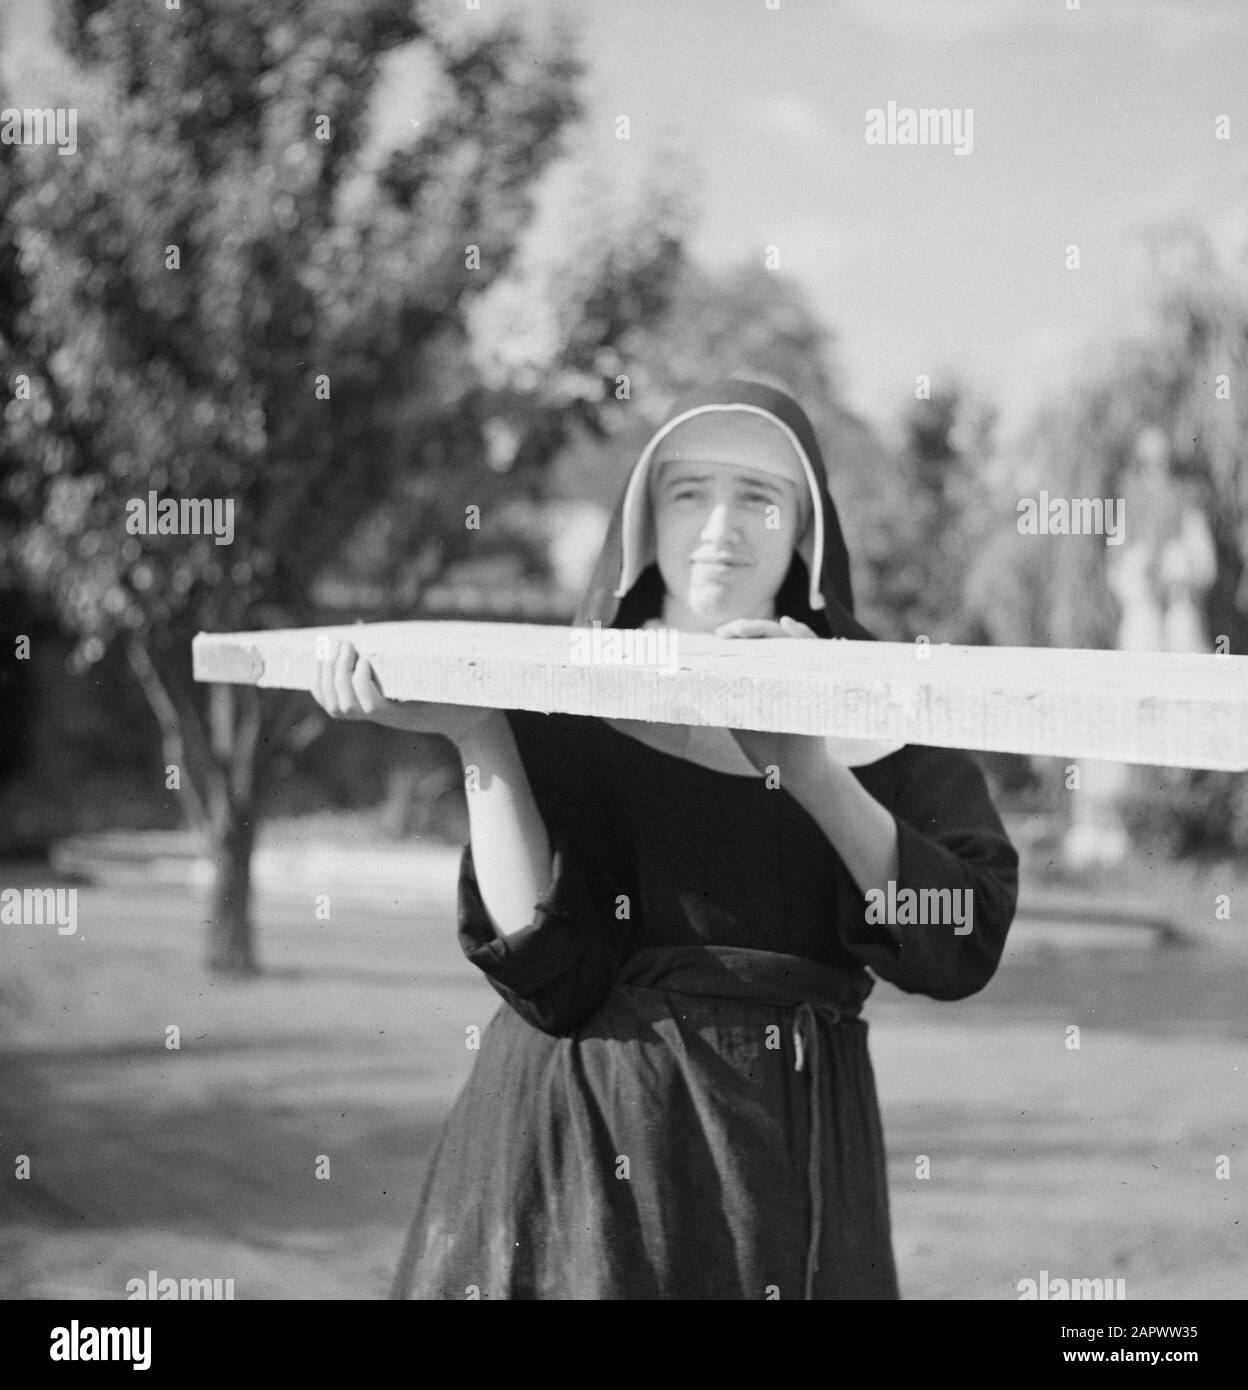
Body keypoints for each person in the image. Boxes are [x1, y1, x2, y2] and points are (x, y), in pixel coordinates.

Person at [311, 378, 1020, 1300]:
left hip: (793, 1150)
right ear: (645, 515)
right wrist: (478, 731)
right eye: (689, 492)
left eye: (758, 498)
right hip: (584, 1146)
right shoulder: (569, 688)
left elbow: (960, 940)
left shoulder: (883, 697)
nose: (720, 527)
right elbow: (549, 977)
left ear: (805, 527)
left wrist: (809, 765)